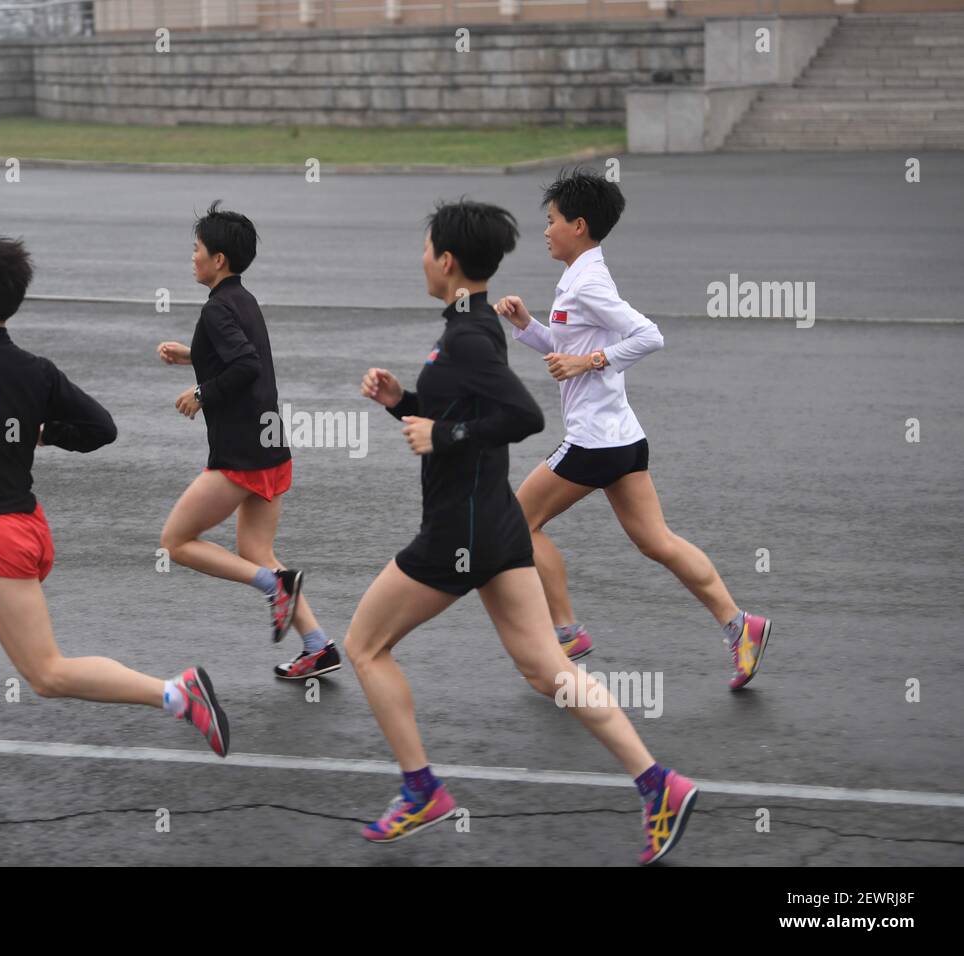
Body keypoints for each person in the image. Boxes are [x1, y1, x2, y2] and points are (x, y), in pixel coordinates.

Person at [349, 199, 697, 864]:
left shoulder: (469, 335)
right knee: (549, 671)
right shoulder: (469, 322)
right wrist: (406, 404)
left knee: (364, 647)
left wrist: (441, 432)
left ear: (447, 261)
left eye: (426, 250)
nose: (420, 259)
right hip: (498, 525)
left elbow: (520, 415)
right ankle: (659, 785)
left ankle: (421, 790)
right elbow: (472, 408)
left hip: (461, 532)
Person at [0, 236, 228, 811]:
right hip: (29, 530)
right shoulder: (36, 371)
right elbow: (102, 429)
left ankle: (176, 694)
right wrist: (43, 431)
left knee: (46, 674)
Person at [494, 168, 770, 688]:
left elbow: (650, 336)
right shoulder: (579, 276)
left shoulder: (591, 282)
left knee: (515, 523)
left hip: (594, 442)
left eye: (551, 221)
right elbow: (564, 351)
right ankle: (740, 625)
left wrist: (591, 361)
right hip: (622, 439)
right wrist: (527, 326)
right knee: (657, 541)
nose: (546, 230)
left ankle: (566, 630)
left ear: (578, 225)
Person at [157, 202, 338, 680]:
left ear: (218, 259)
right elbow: (239, 355)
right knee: (257, 551)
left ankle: (272, 587)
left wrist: (201, 391)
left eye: (197, 249)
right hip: (271, 444)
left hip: (241, 454)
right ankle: (318, 646)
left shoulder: (218, 308)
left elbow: (245, 366)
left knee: (175, 542)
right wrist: (192, 355)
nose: (191, 256)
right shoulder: (242, 299)